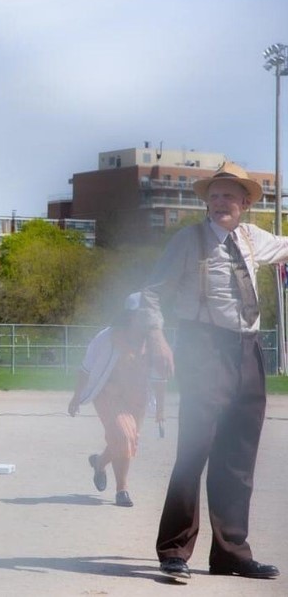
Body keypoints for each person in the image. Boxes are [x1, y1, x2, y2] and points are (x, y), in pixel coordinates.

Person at [138, 162, 282, 581]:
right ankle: (174, 550)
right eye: (215, 196)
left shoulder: (252, 238)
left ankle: (231, 553)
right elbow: (152, 293)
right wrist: (158, 338)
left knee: (238, 456)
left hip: (248, 350)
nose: (221, 203)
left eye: (229, 196)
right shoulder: (189, 240)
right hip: (203, 347)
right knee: (195, 449)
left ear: (245, 203)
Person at [67, 293, 150, 507]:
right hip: (108, 394)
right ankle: (122, 490)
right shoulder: (106, 338)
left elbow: (160, 372)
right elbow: (85, 369)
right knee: (124, 436)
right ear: (129, 316)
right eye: (141, 315)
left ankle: (99, 462)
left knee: (128, 440)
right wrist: (76, 397)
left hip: (136, 397)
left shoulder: (151, 339)